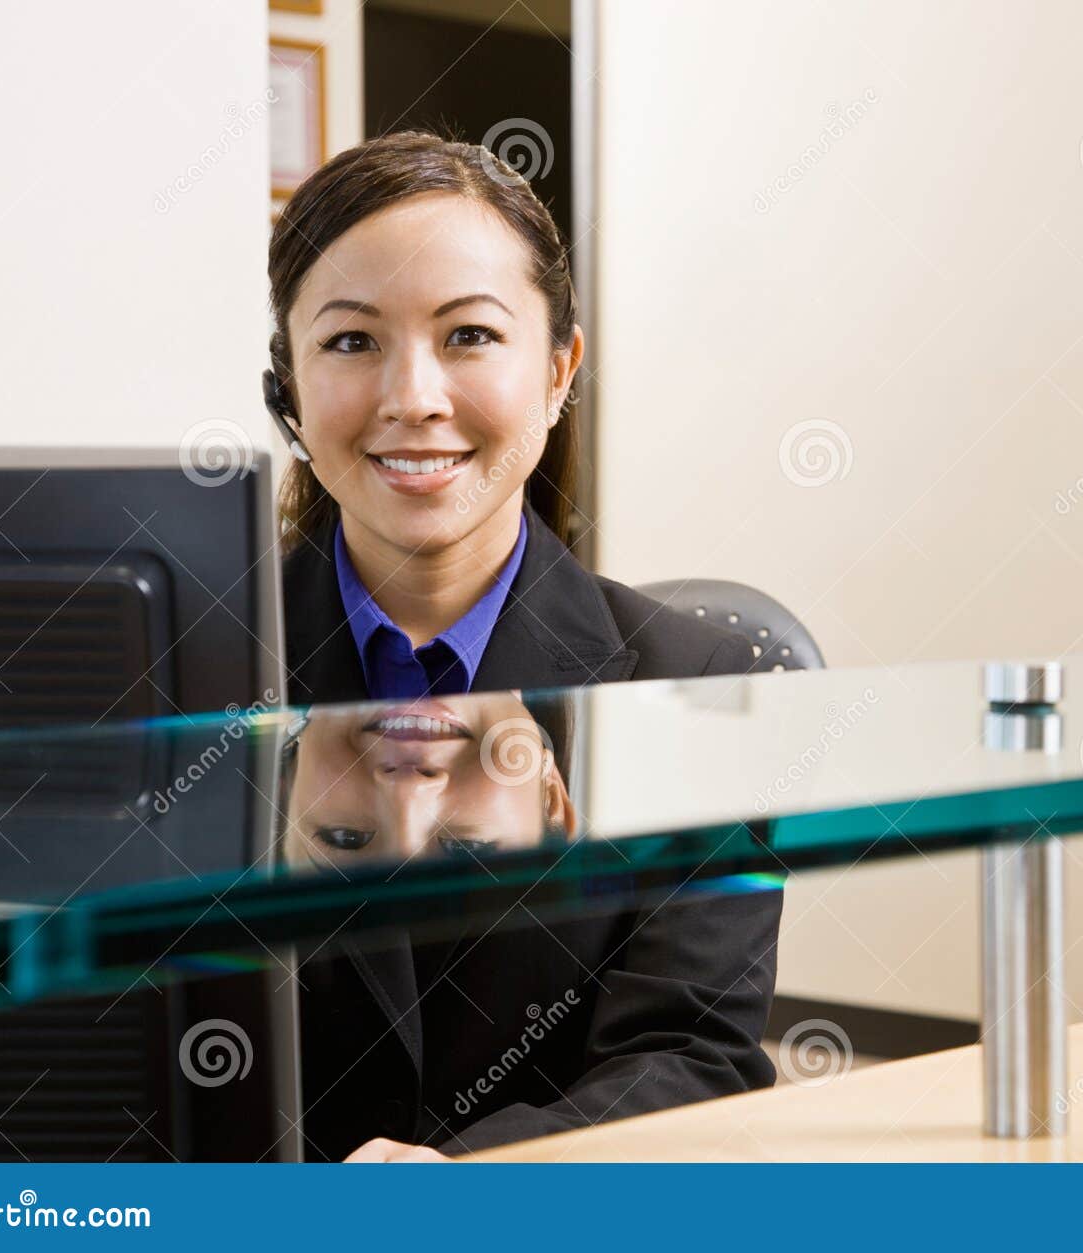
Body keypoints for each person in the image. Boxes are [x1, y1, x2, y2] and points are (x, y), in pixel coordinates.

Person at [266, 129, 783, 1161]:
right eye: (352, 341)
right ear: (286, 384)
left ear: (557, 370)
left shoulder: (696, 682)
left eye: (467, 335)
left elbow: (692, 1052)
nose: (412, 396)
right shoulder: (178, 668)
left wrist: (469, 1182)